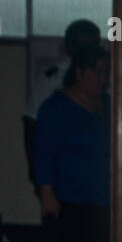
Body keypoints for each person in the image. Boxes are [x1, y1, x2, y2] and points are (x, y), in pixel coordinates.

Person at [35, 45, 111, 242]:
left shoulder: (106, 105)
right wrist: (47, 194)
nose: (104, 78)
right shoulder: (55, 108)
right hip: (70, 199)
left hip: (104, 198)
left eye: (107, 72)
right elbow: (44, 154)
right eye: (98, 72)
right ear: (80, 72)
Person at [22, 19, 102, 188]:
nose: (88, 52)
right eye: (83, 46)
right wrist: (35, 170)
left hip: (96, 170)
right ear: (69, 48)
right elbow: (31, 123)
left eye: (93, 46)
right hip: (61, 169)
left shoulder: (105, 76)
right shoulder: (51, 78)